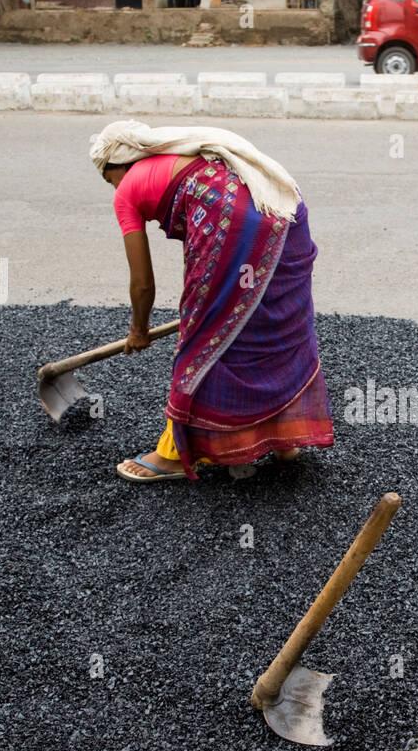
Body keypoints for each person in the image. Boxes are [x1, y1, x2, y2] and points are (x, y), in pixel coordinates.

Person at [89, 121, 334, 483]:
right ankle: (284, 439)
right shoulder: (189, 157)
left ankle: (173, 454)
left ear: (120, 166)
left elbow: (142, 283)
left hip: (234, 224)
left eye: (109, 179)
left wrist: (138, 329)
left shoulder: (127, 189)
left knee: (203, 338)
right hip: (285, 209)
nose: (113, 186)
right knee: (273, 322)